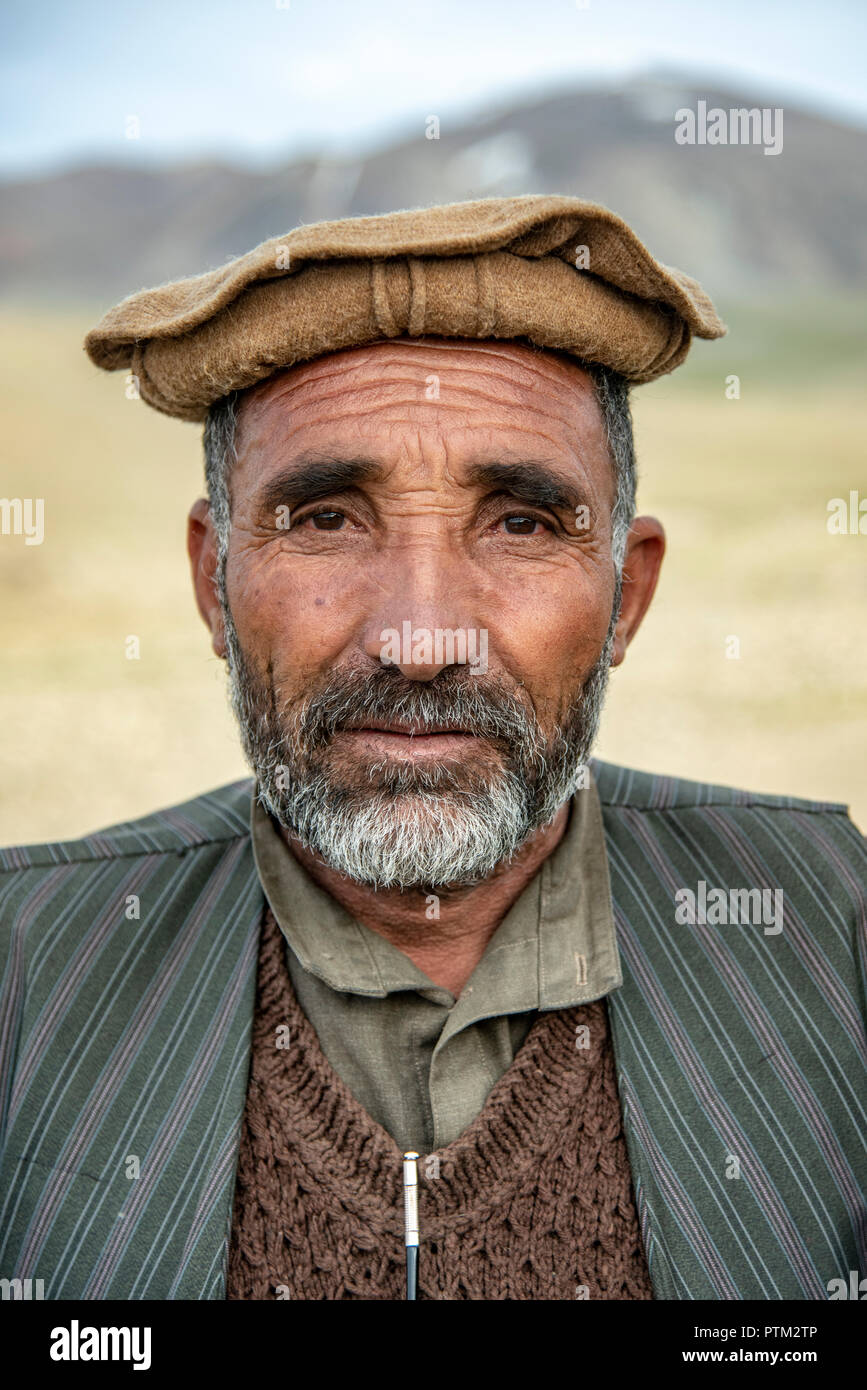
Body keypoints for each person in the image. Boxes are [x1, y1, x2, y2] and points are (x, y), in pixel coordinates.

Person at [1, 196, 864, 1301]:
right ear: (213, 581)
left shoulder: (828, 923)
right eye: (326, 519)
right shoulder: (28, 959)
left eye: (520, 523)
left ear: (626, 597)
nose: (419, 641)